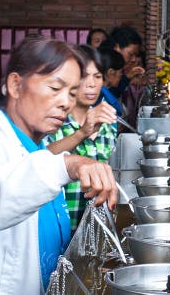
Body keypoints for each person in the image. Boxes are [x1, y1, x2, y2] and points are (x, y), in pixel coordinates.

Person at [0, 36, 117, 293]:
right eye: (55, 88)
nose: (66, 102)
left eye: (72, 93)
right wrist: (67, 164)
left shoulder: (35, 149)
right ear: (16, 85)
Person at [44, 46, 117, 231]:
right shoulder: (53, 119)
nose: (91, 84)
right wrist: (82, 132)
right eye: (84, 76)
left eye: (98, 76)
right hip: (60, 228)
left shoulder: (107, 123)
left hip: (96, 229)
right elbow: (41, 159)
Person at [96, 46, 125, 118]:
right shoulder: (100, 97)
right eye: (120, 73)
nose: (121, 76)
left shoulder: (104, 92)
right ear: (111, 72)